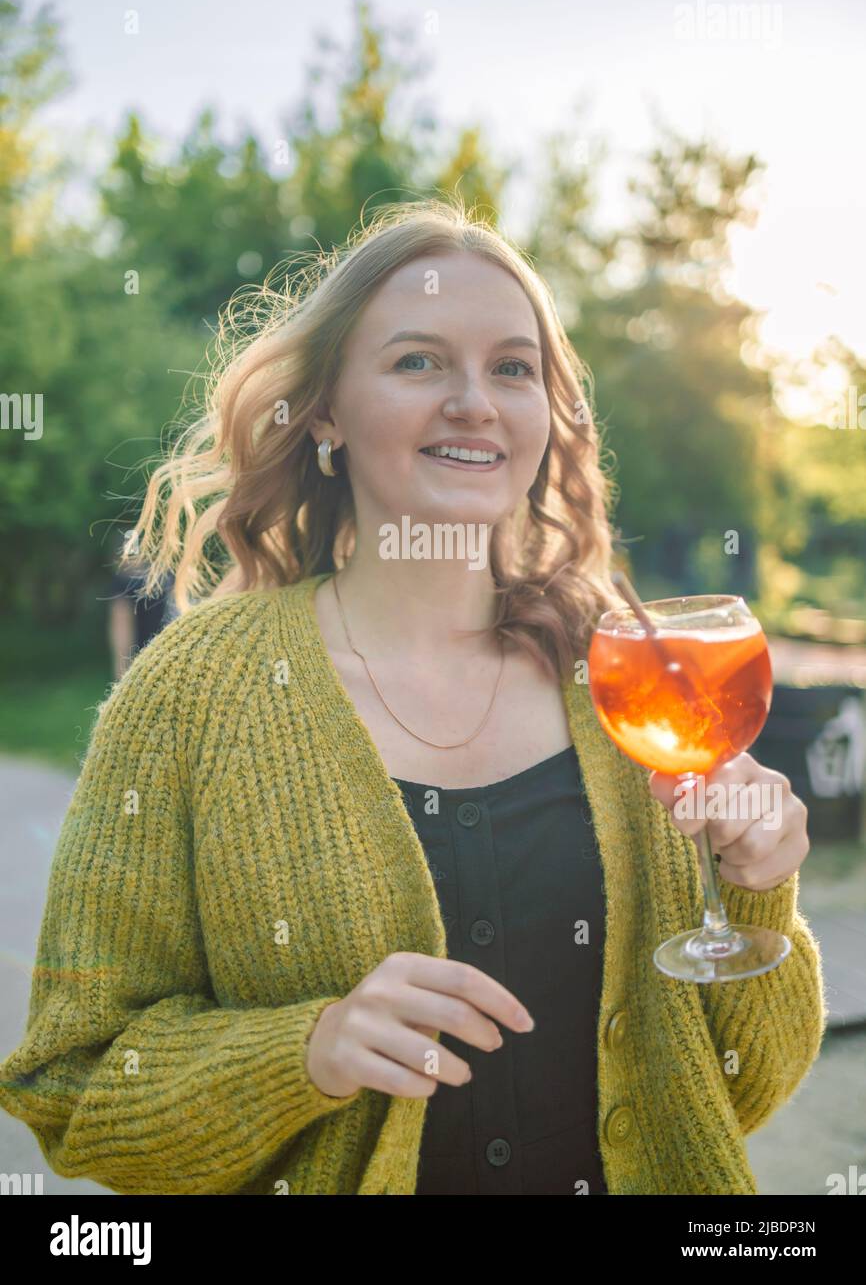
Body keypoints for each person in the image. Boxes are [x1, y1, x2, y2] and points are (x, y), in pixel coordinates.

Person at [0, 199, 824, 1196]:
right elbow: (74, 1090)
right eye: (418, 361)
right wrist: (307, 1051)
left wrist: (754, 891)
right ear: (326, 413)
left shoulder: (617, 672)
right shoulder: (190, 694)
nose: (473, 401)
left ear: (543, 416)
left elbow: (730, 1092)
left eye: (510, 367)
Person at [107, 539, 177, 678]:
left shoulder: (122, 584)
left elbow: (121, 629)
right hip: (170, 654)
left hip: (141, 663)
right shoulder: (165, 576)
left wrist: (120, 676)